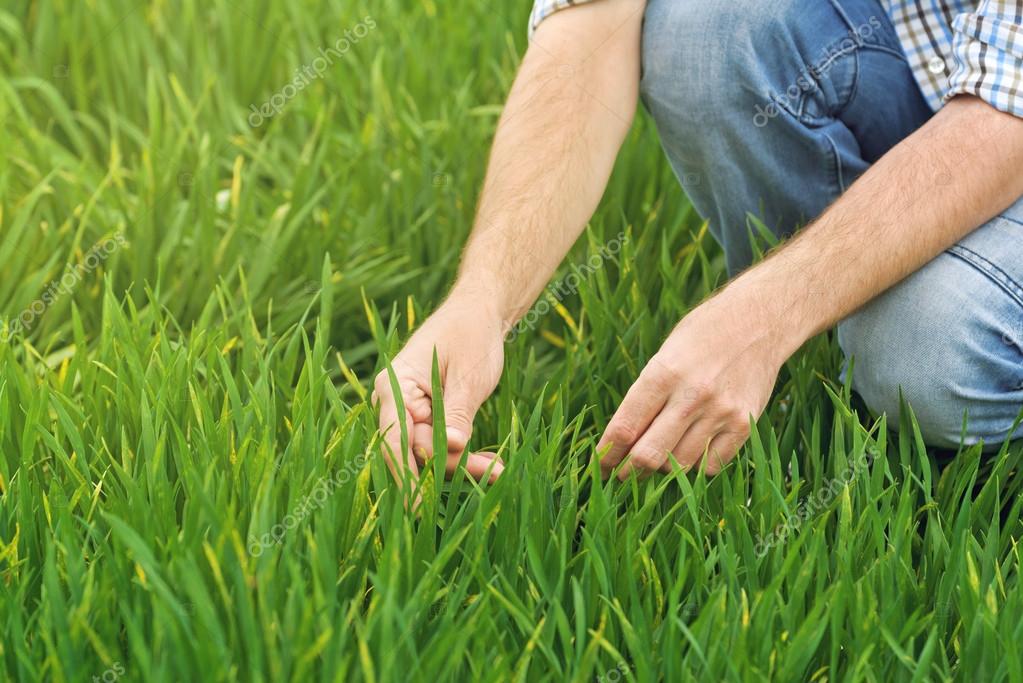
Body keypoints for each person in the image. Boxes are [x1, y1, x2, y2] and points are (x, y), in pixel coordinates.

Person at [374, 0, 1023, 493]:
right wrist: (482, 301)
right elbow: (592, 20)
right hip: (933, 60)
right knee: (700, 34)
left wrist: (762, 314)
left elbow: (1006, 110)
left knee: (924, 349)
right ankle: (806, 353)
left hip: (1004, 111)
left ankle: (823, 344)